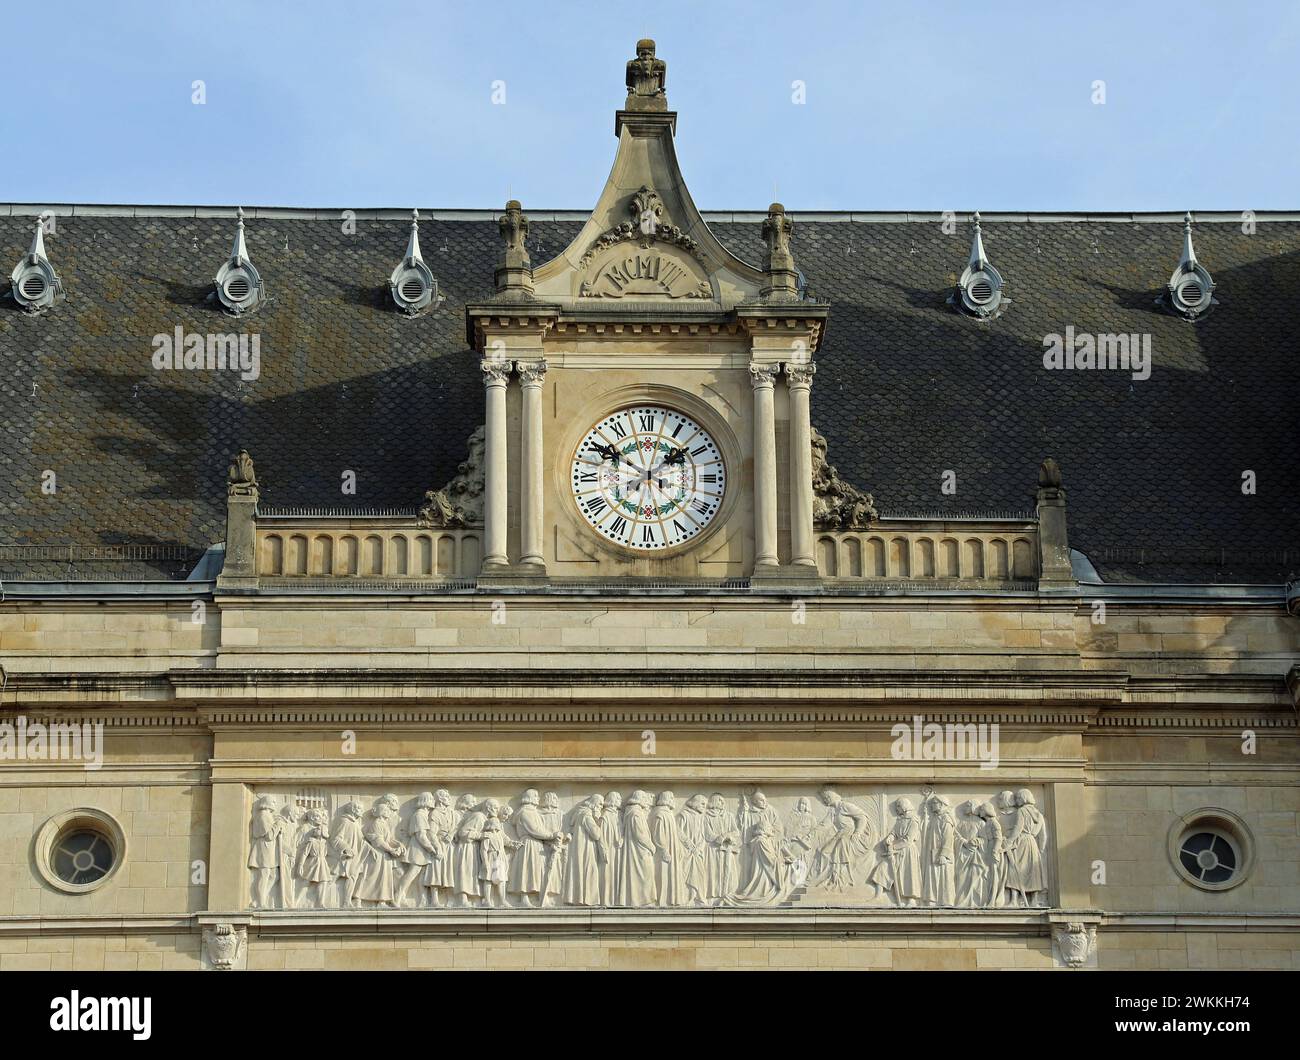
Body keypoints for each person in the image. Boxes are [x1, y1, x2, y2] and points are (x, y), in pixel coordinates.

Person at [507, 789, 562, 908]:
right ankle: (524, 898)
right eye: (536, 796)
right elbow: (534, 829)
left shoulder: (533, 812)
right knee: (526, 870)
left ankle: (541, 897)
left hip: (537, 844)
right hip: (529, 844)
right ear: (530, 798)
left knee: (536, 871)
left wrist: (551, 841)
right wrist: (551, 835)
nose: (538, 798)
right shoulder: (525, 812)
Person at [813, 787, 873, 889]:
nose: (825, 800)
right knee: (823, 851)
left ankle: (840, 879)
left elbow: (862, 817)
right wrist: (811, 834)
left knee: (839, 849)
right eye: (824, 798)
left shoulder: (845, 806)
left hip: (849, 835)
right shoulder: (833, 811)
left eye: (826, 797)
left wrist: (858, 832)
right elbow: (825, 824)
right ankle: (827, 877)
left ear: (832, 796)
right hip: (840, 835)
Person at [869, 797, 922, 907]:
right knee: (882, 868)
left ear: (903, 807)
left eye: (897, 807)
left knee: (908, 874)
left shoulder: (914, 821)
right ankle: (878, 896)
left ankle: (910, 900)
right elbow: (893, 833)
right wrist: (889, 838)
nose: (896, 810)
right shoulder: (900, 820)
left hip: (908, 852)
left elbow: (908, 839)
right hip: (895, 851)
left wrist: (893, 847)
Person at [355, 794, 406, 907]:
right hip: (377, 855)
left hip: (384, 855)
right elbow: (378, 841)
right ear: (382, 812)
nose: (389, 812)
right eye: (386, 810)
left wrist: (398, 844)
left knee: (384, 879)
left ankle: (382, 901)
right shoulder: (377, 823)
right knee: (372, 878)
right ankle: (358, 899)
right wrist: (391, 850)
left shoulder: (383, 823)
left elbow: (389, 839)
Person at [1005, 790, 1048, 907]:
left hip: (1022, 842)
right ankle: (1034, 900)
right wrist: (1041, 849)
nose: (1017, 800)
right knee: (1033, 871)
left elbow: (1018, 828)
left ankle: (1014, 900)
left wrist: (1008, 842)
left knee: (1015, 868)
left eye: (1018, 798)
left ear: (1024, 798)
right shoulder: (1039, 815)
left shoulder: (1022, 811)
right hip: (1033, 843)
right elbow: (1043, 835)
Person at [563, 794, 605, 907]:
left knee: (583, 871)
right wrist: (598, 821)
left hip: (581, 848)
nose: (601, 807)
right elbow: (596, 834)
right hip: (586, 849)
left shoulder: (580, 813)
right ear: (594, 803)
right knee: (589, 871)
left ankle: (581, 898)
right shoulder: (586, 815)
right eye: (600, 804)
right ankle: (587, 900)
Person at [397, 792, 437, 908]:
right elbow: (421, 836)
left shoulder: (423, 814)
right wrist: (431, 849)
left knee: (421, 875)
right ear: (426, 801)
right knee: (412, 873)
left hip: (422, 850)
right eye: (431, 799)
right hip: (418, 849)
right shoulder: (419, 815)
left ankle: (422, 901)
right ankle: (397, 897)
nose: (433, 802)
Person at [616, 791, 655, 907]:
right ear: (639, 799)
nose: (647, 801)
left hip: (638, 850)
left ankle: (641, 900)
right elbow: (639, 834)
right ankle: (642, 900)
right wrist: (651, 846)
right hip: (639, 851)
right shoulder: (635, 813)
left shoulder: (634, 812)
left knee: (641, 875)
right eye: (645, 798)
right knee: (644, 874)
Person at [649, 791, 684, 907]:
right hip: (665, 853)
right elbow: (658, 834)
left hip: (672, 851)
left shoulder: (668, 813)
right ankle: (664, 901)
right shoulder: (660, 813)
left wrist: (678, 849)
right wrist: (663, 850)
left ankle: (673, 899)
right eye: (671, 798)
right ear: (666, 799)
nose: (673, 800)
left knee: (672, 875)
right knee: (664, 875)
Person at [703, 794, 740, 903]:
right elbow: (707, 834)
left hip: (727, 848)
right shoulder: (706, 816)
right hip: (714, 849)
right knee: (714, 870)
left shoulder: (729, 815)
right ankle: (714, 896)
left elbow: (736, 831)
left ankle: (727, 894)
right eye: (719, 801)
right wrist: (719, 838)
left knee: (728, 870)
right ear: (714, 801)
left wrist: (727, 835)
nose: (722, 803)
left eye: (723, 801)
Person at [329, 801, 366, 908]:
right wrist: (345, 848)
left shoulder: (355, 823)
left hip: (355, 856)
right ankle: (320, 900)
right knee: (332, 878)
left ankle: (346, 902)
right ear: (353, 810)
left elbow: (361, 840)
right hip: (345, 857)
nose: (362, 811)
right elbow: (335, 838)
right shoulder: (344, 821)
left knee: (353, 877)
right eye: (359, 808)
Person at [294, 807, 332, 909]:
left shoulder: (324, 843)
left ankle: (320, 902)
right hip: (312, 862)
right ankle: (296, 902)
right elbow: (303, 852)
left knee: (323, 881)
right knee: (307, 881)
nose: (319, 819)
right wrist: (300, 865)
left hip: (322, 863)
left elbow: (329, 852)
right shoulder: (310, 838)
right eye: (316, 816)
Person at [451, 794, 485, 908]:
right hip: (465, 846)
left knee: (472, 872)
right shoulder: (457, 814)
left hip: (473, 846)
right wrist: (480, 835)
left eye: (476, 801)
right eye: (472, 801)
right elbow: (461, 833)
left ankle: (474, 897)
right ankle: (462, 898)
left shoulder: (474, 815)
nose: (475, 803)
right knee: (465, 871)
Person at [248, 795, 281, 910]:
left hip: (270, 848)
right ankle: (261, 902)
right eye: (273, 802)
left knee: (274, 875)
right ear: (267, 802)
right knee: (264, 874)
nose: (275, 804)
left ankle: (258, 899)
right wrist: (278, 825)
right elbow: (269, 835)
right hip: (264, 847)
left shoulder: (268, 815)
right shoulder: (263, 815)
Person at [923, 795, 957, 908]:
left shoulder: (946, 819)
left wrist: (944, 854)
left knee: (944, 878)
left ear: (941, 804)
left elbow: (948, 838)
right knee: (932, 877)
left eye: (934, 803)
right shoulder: (935, 818)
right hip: (933, 853)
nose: (932, 805)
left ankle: (946, 902)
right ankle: (932, 900)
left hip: (943, 856)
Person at [677, 794, 709, 906]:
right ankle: (687, 898)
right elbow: (678, 832)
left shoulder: (701, 817)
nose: (704, 807)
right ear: (695, 803)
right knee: (686, 874)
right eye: (702, 804)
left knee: (700, 874)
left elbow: (703, 835)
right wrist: (690, 845)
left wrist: (699, 847)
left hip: (697, 852)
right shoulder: (683, 815)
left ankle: (699, 898)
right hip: (686, 852)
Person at [954, 800, 986, 908]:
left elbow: (985, 839)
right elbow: (956, 836)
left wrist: (976, 842)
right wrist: (963, 842)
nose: (964, 808)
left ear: (973, 807)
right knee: (962, 878)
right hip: (963, 854)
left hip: (975, 855)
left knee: (976, 878)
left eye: (967, 806)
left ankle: (976, 902)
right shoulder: (962, 823)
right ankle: (962, 901)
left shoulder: (980, 823)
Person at [599, 791, 622, 906]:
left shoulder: (617, 815)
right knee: (608, 875)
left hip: (617, 851)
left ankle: (616, 900)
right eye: (618, 798)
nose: (620, 801)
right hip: (609, 851)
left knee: (616, 875)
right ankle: (607, 901)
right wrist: (604, 851)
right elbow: (601, 836)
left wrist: (621, 839)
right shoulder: (605, 815)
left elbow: (621, 832)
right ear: (612, 800)